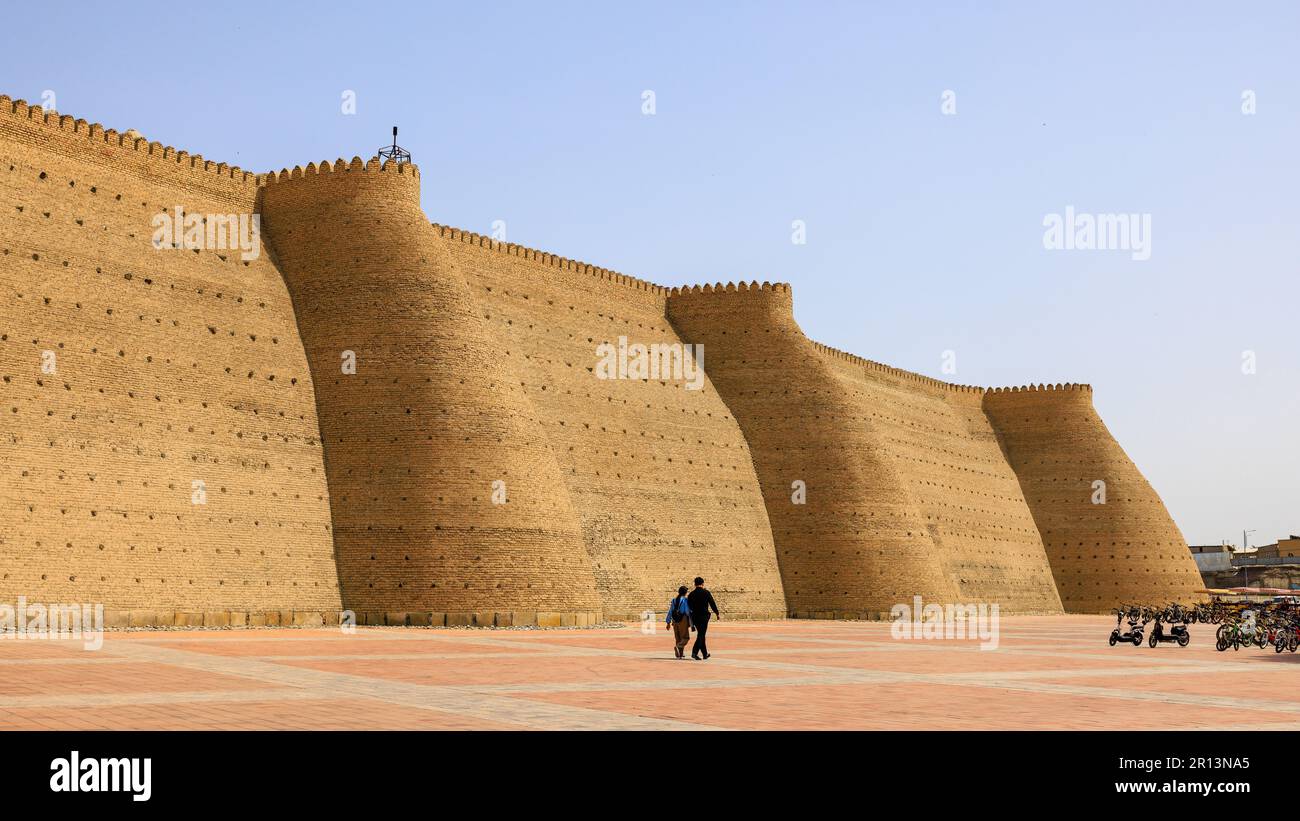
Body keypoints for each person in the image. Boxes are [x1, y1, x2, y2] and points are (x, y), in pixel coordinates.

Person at [686, 576, 720, 660]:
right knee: (701, 634)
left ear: (695, 584)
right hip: (704, 617)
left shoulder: (691, 594)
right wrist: (717, 613)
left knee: (701, 634)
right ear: (702, 584)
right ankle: (694, 652)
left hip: (695, 617)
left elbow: (689, 607)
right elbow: (712, 603)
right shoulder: (706, 592)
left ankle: (705, 654)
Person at [664, 585, 693, 659]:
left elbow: (670, 611)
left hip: (674, 620)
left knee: (678, 638)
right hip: (682, 620)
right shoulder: (685, 600)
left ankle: (680, 654)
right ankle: (678, 646)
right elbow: (687, 611)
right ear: (685, 593)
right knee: (685, 637)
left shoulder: (674, 600)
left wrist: (668, 622)